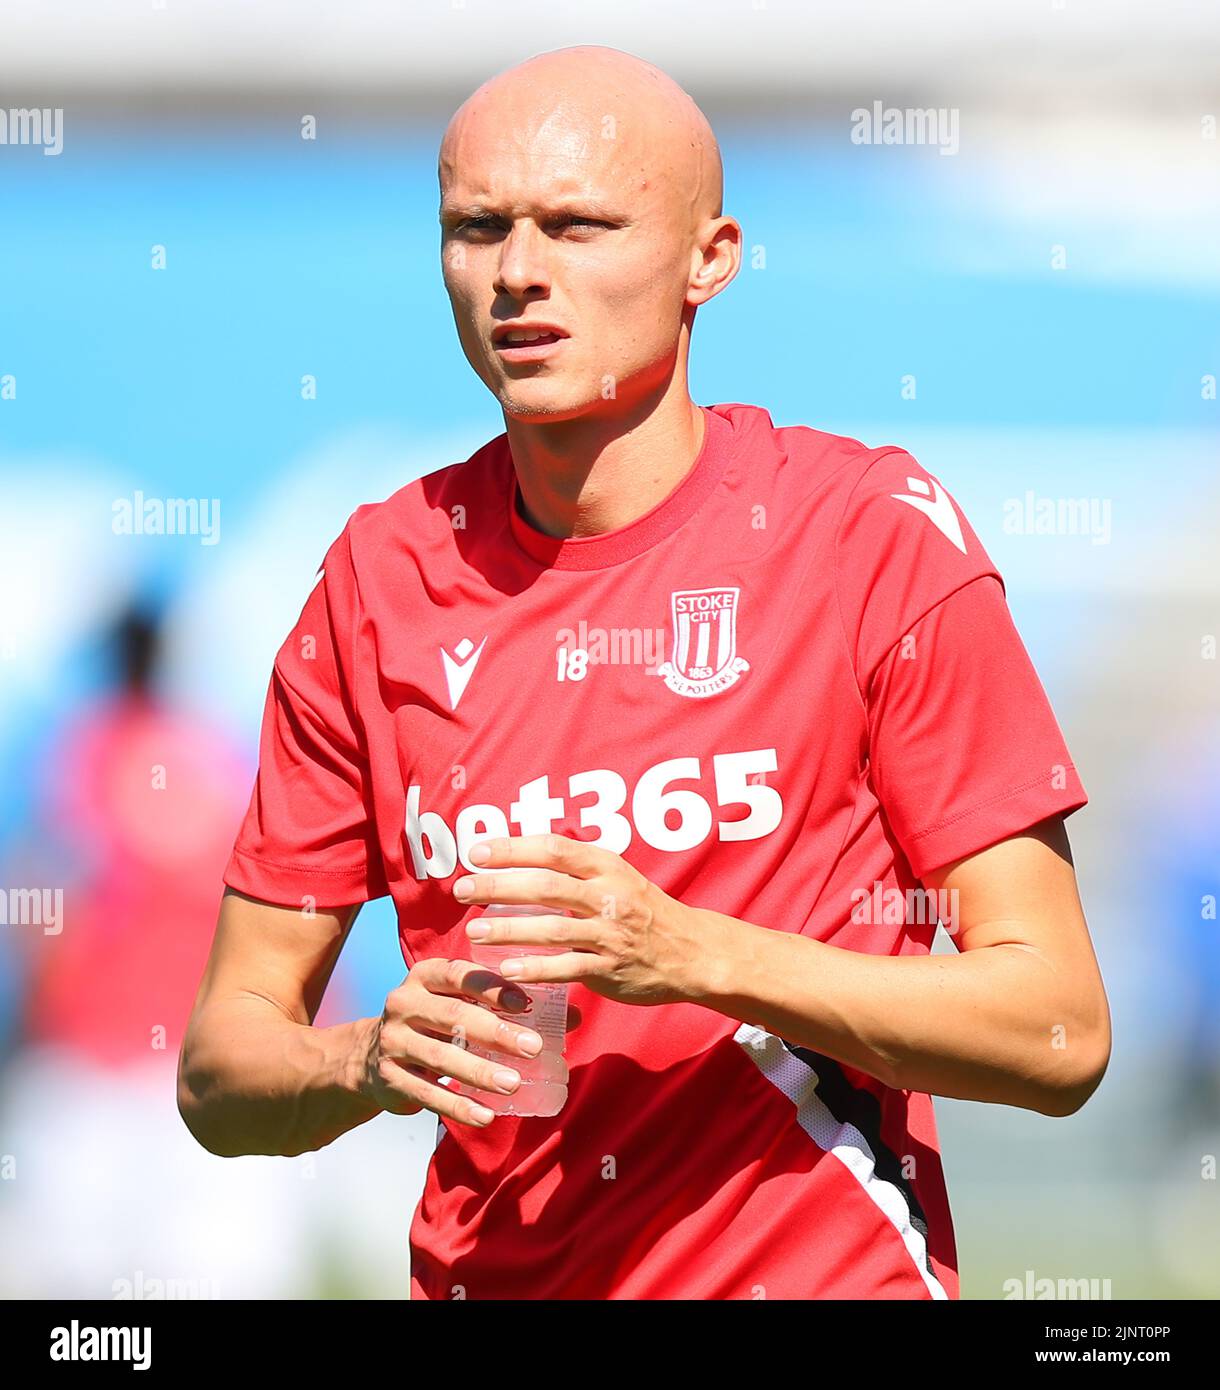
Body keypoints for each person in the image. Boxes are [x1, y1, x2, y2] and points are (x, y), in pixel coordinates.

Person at [178, 44, 1111, 1300]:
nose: (517, 274)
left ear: (707, 261)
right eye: (476, 228)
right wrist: (357, 1061)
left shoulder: (865, 533)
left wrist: (689, 952)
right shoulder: (376, 578)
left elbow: (1057, 1029)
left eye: (576, 226)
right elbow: (221, 1070)